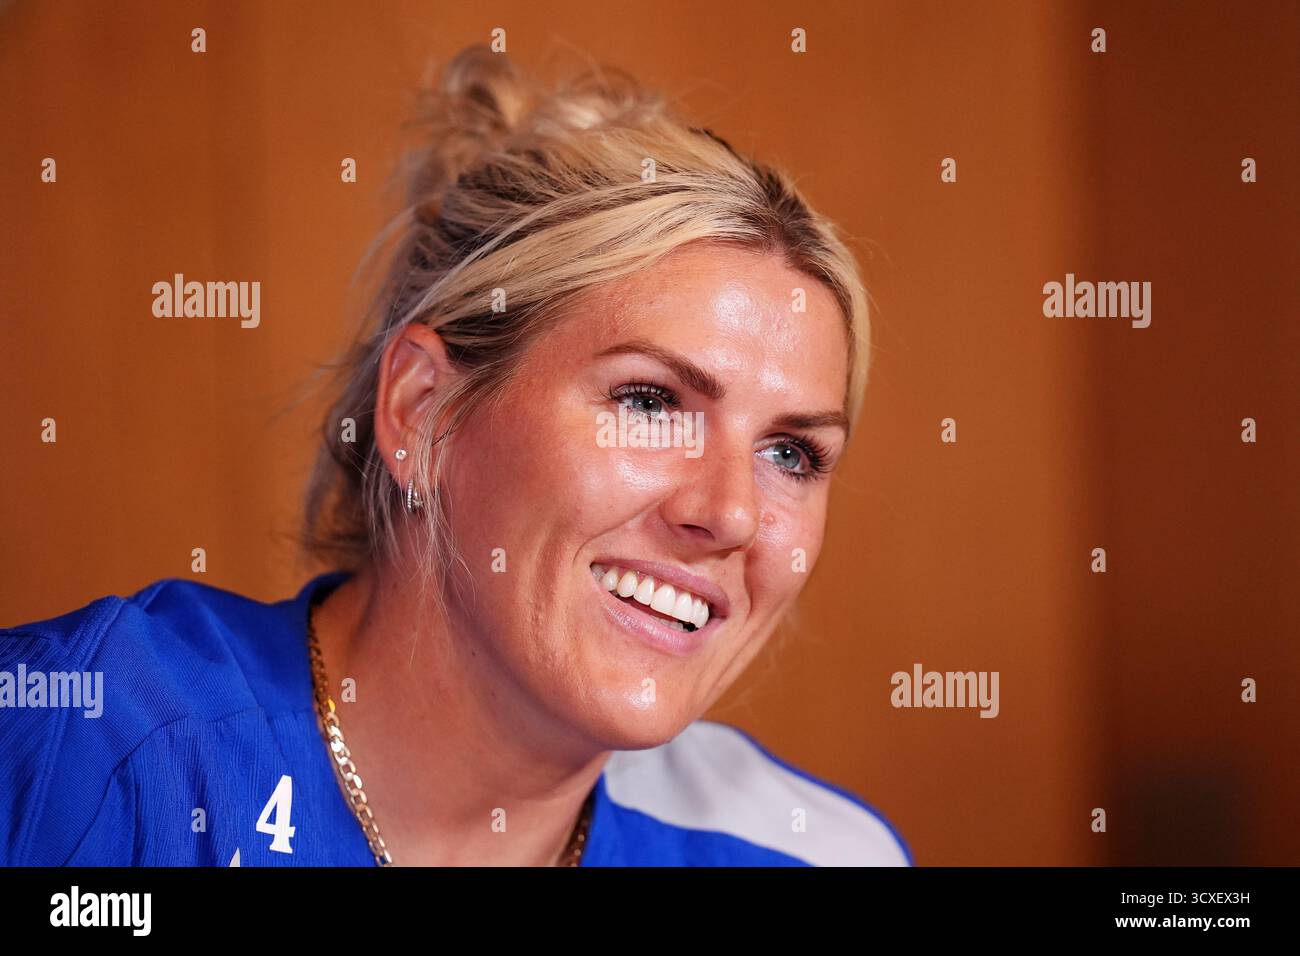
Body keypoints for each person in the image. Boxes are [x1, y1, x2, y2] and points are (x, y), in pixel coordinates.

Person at [0, 44, 911, 867]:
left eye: (791, 453)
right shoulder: (68, 746)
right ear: (423, 411)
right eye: (649, 401)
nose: (732, 513)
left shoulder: (812, 853)